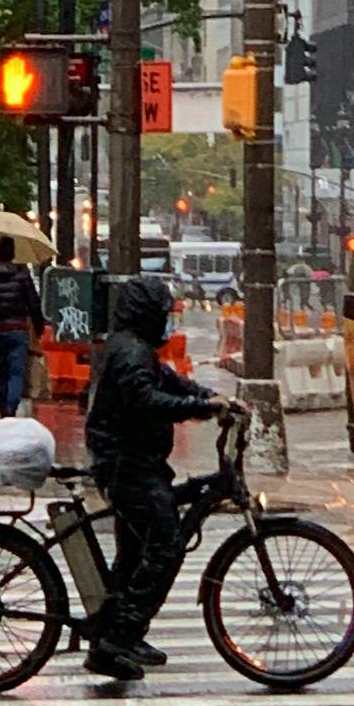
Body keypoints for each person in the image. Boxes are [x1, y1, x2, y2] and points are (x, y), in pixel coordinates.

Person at [79, 271, 225, 684]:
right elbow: (145, 400)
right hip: (126, 464)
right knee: (164, 546)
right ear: (147, 314)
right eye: (163, 313)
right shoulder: (130, 352)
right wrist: (199, 408)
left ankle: (121, 631)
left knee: (133, 554)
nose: (167, 321)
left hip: (136, 460)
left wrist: (206, 397)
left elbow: (168, 381)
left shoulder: (136, 348)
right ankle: (116, 638)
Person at [0, 236, 46, 419]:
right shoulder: (23, 276)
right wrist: (39, 327)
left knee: (2, 373)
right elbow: (34, 304)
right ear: (13, 253)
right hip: (18, 329)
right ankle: (11, 408)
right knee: (16, 373)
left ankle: (3, 412)